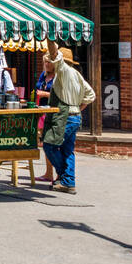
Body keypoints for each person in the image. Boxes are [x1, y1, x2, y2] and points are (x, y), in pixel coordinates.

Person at [42, 43, 96, 194]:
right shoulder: (77, 75)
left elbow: (55, 55)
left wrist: (50, 39)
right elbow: (91, 95)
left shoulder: (63, 71)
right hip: (75, 116)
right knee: (68, 150)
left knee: (49, 145)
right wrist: (77, 108)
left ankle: (66, 177)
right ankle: (68, 181)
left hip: (65, 117)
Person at [34, 54, 57, 183]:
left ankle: (58, 173)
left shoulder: (58, 77)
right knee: (44, 143)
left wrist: (45, 94)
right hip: (41, 111)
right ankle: (48, 173)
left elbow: (60, 95)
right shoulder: (43, 75)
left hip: (52, 112)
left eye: (49, 62)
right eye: (45, 62)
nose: (47, 64)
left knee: (51, 143)